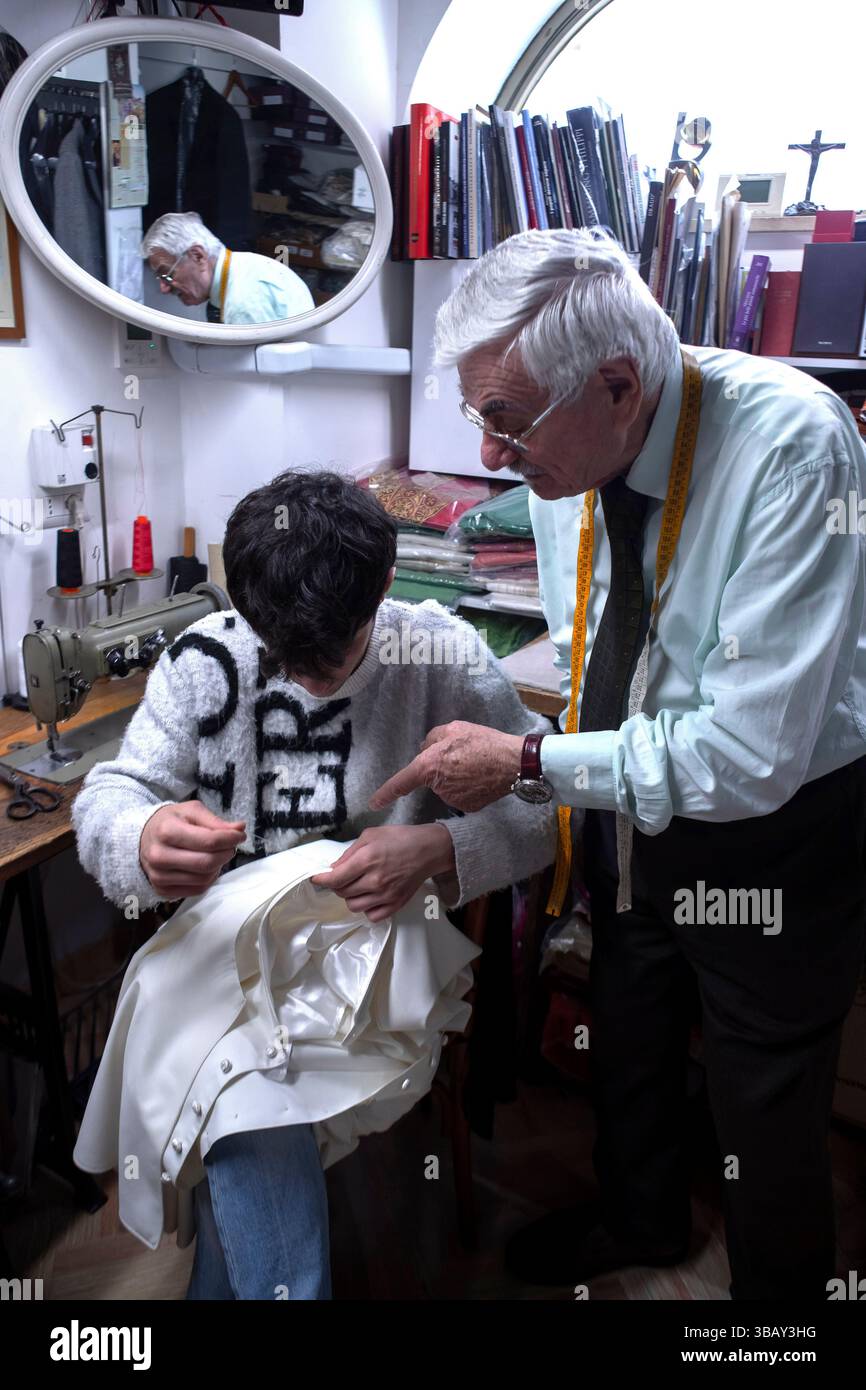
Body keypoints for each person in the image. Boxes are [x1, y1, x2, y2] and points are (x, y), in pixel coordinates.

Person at [370, 227, 866, 1301]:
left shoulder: (793, 446)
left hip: (772, 827)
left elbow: (746, 755)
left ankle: (779, 1311)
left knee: (760, 1091)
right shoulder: (573, 456)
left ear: (614, 384)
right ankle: (638, 1222)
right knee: (628, 1024)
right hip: (622, 794)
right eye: (477, 417)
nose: (490, 455)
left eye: (504, 421)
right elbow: (598, 634)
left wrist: (530, 758)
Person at [71, 469, 557, 1299]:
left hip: (378, 958)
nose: (310, 679)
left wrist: (437, 846)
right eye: (283, 653)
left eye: (334, 651)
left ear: (383, 592)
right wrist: (140, 835)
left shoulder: (436, 650)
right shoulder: (202, 662)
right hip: (234, 956)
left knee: (241, 1097)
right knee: (241, 1079)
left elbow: (544, 811)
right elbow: (109, 797)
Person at [141, 211, 314, 323]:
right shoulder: (247, 265)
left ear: (198, 256)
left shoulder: (241, 303)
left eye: (167, 274)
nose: (163, 288)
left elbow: (257, 379)